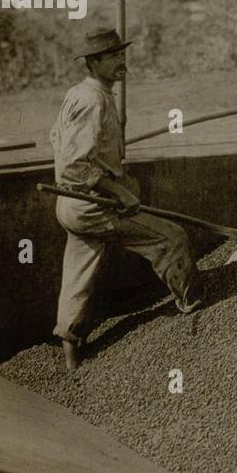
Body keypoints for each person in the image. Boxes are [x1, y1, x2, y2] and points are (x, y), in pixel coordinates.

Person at [49, 27, 203, 370]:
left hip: (72, 205)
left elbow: (59, 141)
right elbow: (75, 165)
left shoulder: (79, 94)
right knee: (172, 238)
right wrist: (117, 190)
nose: (122, 62)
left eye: (122, 54)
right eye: (114, 57)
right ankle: (199, 312)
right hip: (93, 205)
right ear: (93, 62)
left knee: (79, 273)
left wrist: (117, 178)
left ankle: (71, 357)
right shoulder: (92, 101)